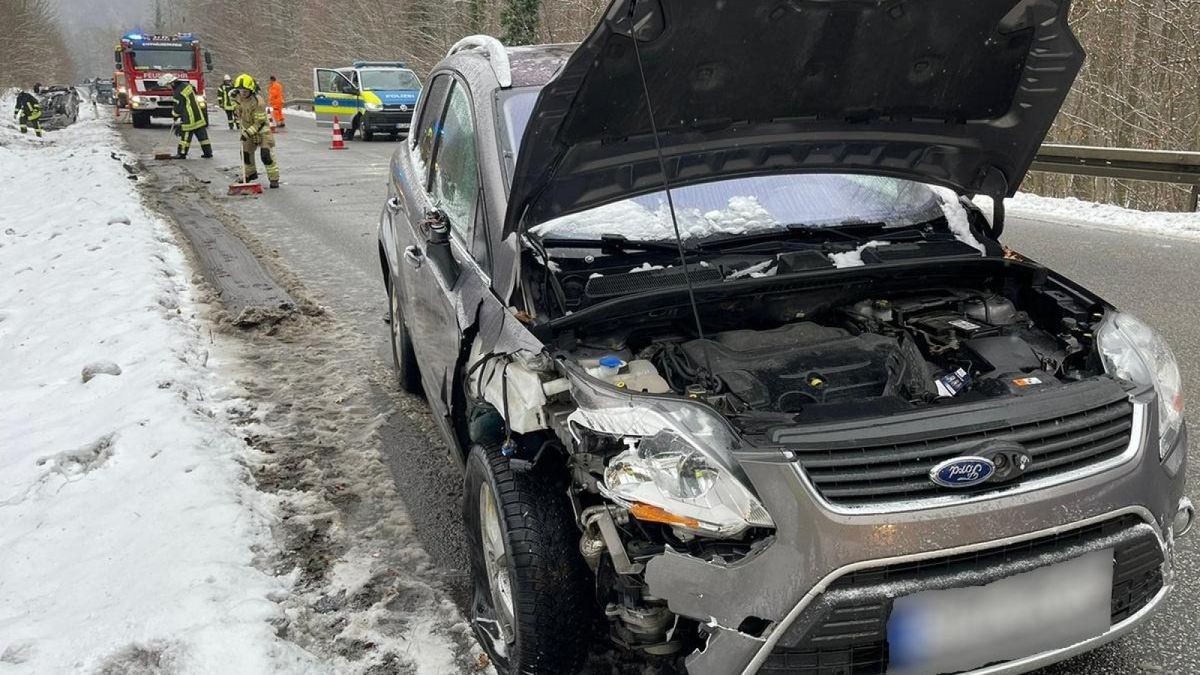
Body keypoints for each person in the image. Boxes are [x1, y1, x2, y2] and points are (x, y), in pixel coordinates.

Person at [233, 74, 280, 188]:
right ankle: (250, 174)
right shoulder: (238, 99)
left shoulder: (258, 101)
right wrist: (236, 109)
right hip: (247, 129)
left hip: (261, 130)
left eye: (245, 91)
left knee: (266, 155)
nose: (243, 93)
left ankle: (274, 179)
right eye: (240, 91)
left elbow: (259, 123)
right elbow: (238, 111)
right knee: (245, 153)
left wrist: (248, 132)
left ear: (251, 90)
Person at [160, 73, 212, 159]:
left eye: (167, 85)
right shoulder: (187, 85)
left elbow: (178, 108)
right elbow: (194, 91)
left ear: (172, 83)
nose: (167, 87)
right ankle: (208, 153)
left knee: (186, 136)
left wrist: (174, 115)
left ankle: (182, 153)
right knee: (202, 136)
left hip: (189, 117)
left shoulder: (178, 92)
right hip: (198, 114)